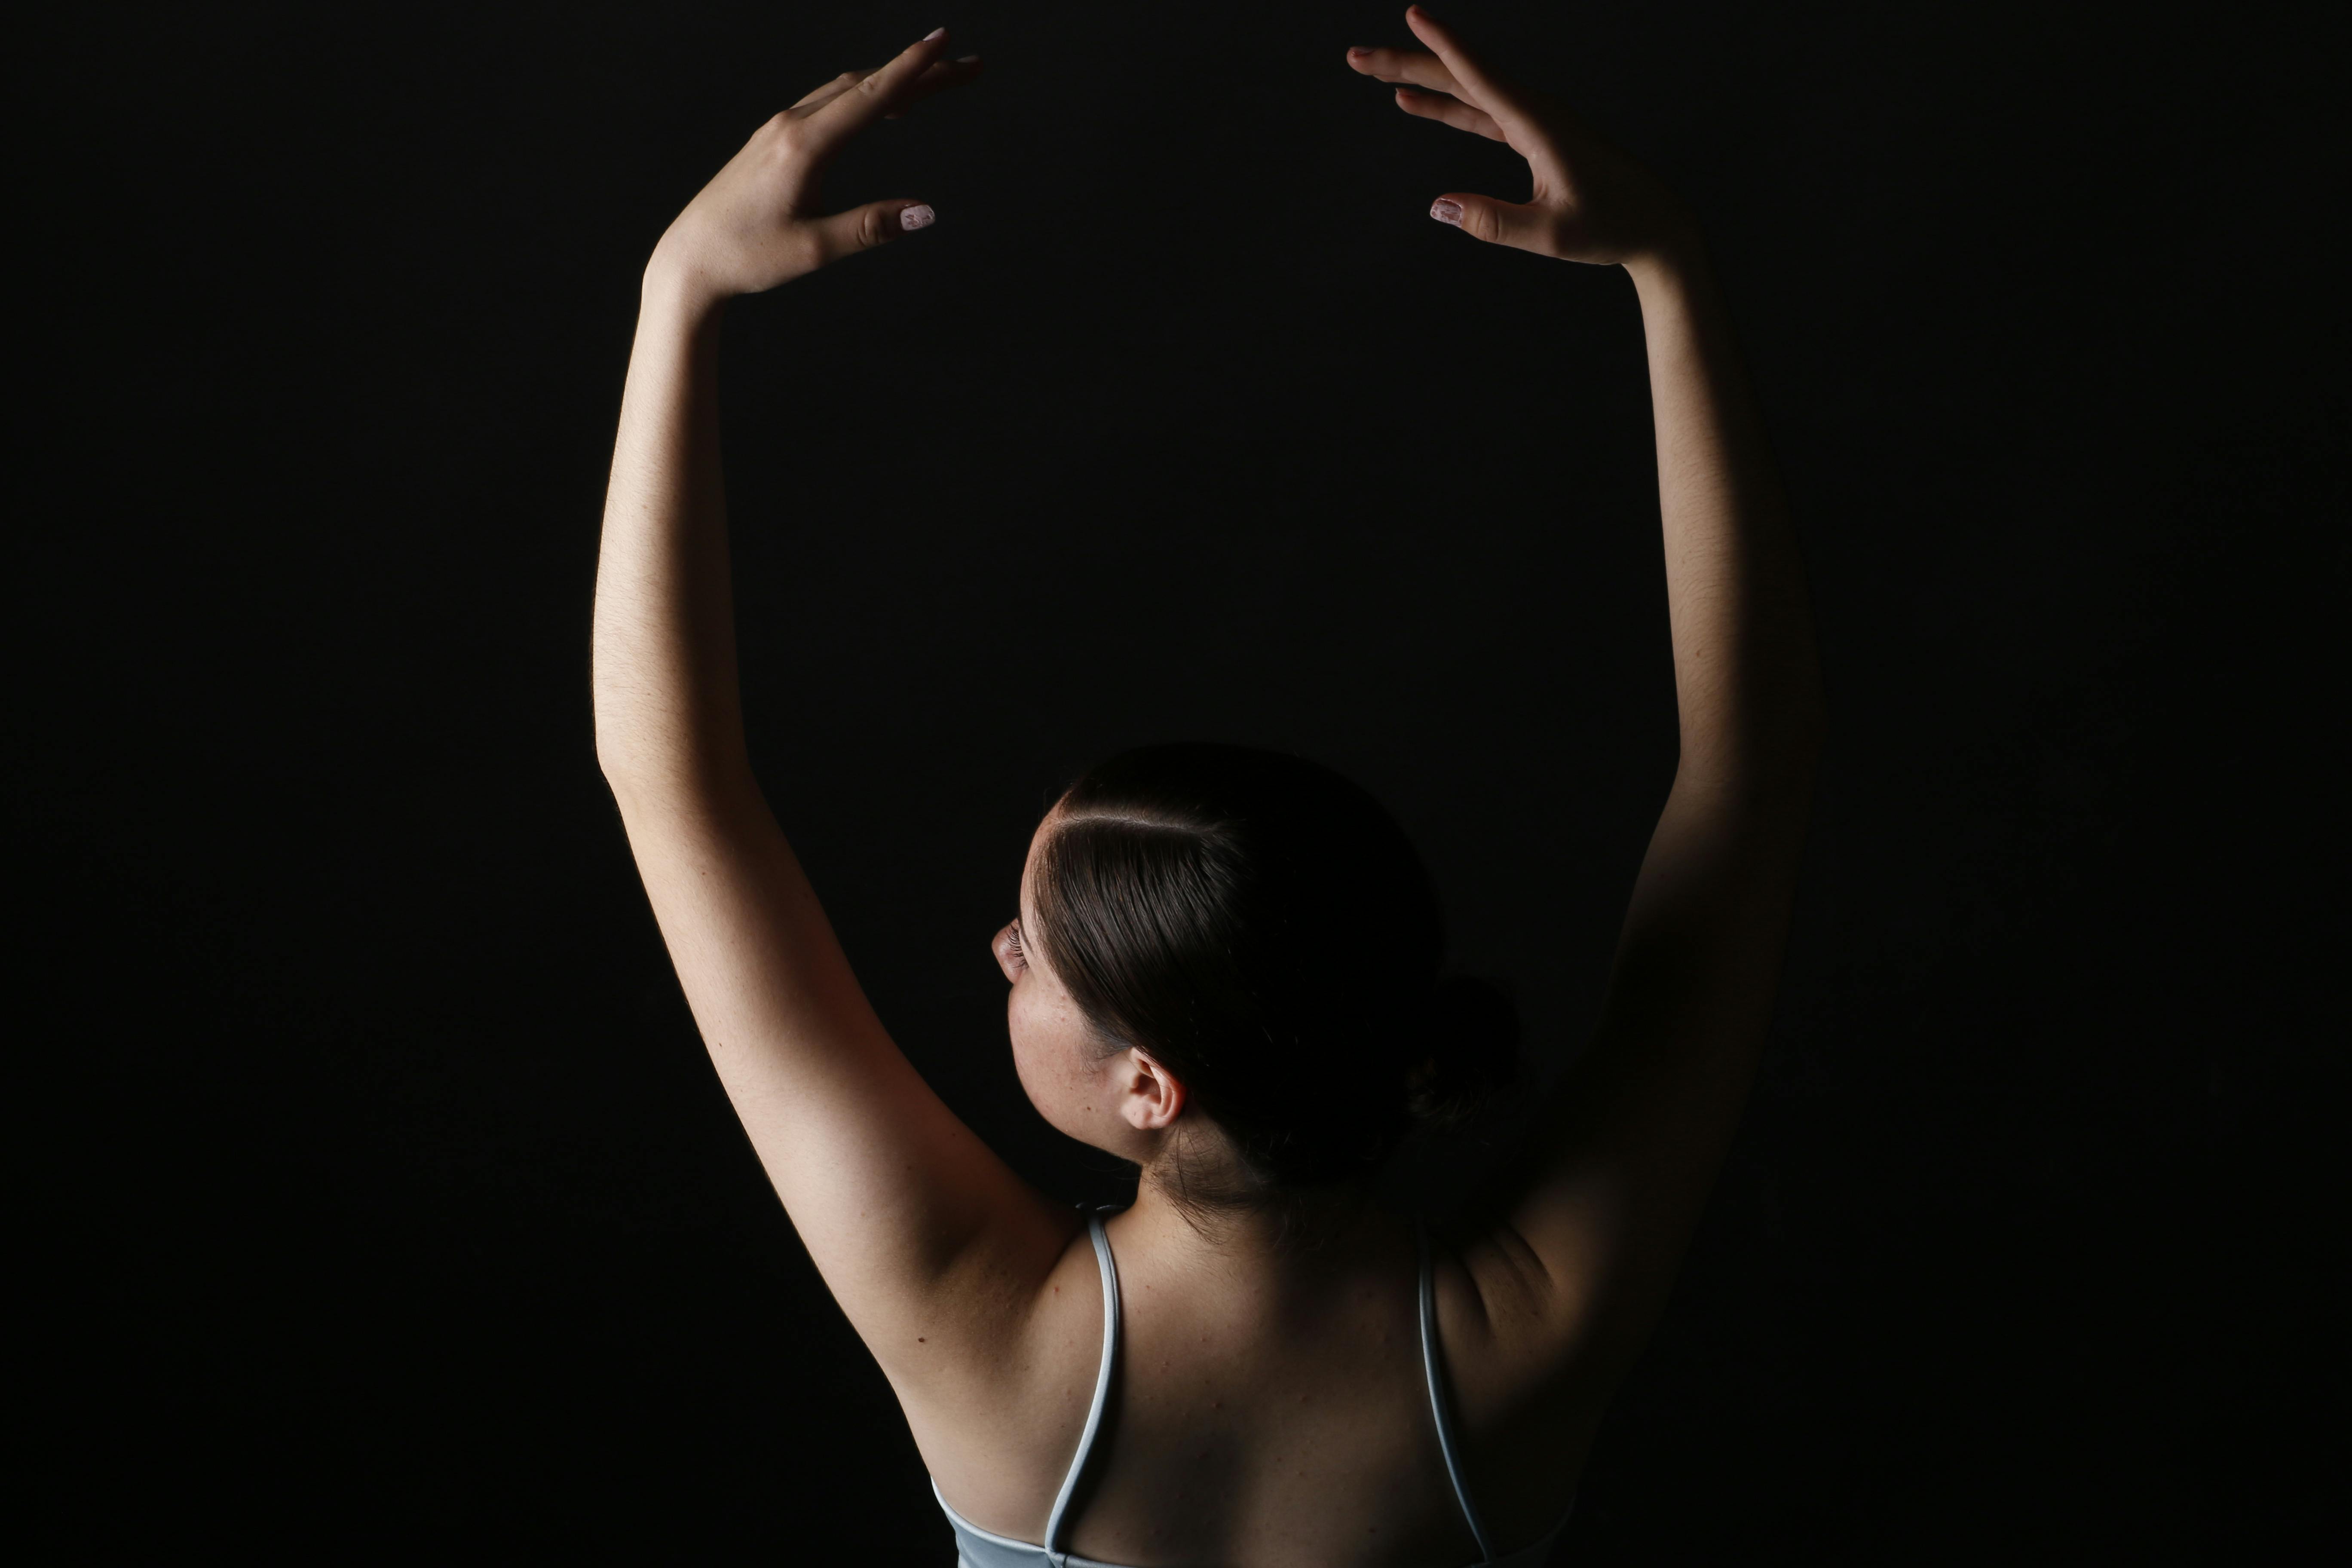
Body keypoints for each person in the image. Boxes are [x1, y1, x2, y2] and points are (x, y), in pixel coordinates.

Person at [591, 8, 1824, 1563]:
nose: (1000, 953)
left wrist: (676, 296)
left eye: (1031, 950)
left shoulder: (982, 1345)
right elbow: (1753, 778)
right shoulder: (1527, 1342)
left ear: (1149, 1086)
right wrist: (1671, 269)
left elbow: (670, 785)